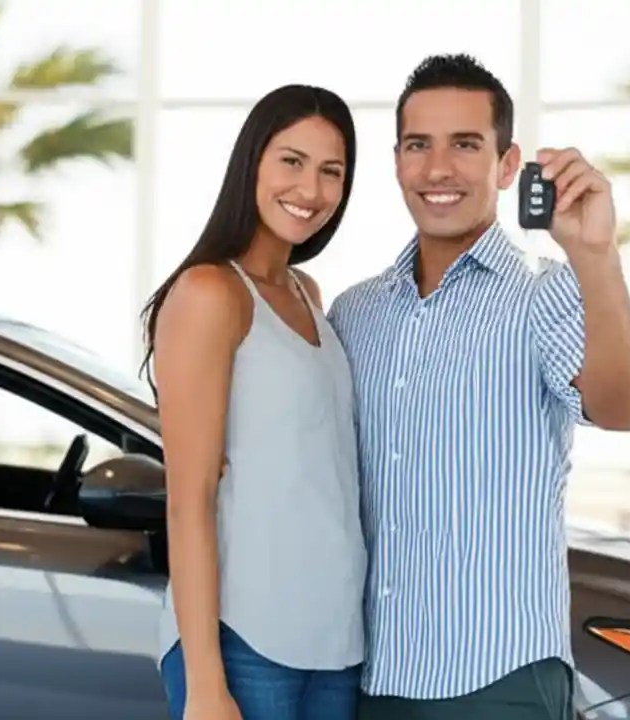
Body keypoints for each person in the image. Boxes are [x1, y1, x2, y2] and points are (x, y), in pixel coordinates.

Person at [326, 54, 630, 719]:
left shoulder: (543, 295)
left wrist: (595, 258)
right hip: (372, 676)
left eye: (465, 145)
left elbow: (627, 408)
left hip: (496, 680)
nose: (438, 168)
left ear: (508, 167)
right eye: (419, 145)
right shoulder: (354, 313)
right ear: (396, 161)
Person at [141, 84, 367, 720]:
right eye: (291, 161)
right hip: (244, 642)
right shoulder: (211, 293)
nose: (311, 190)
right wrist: (208, 684)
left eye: (332, 172)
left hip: (334, 647)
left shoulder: (309, 294)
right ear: (252, 165)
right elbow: (189, 500)